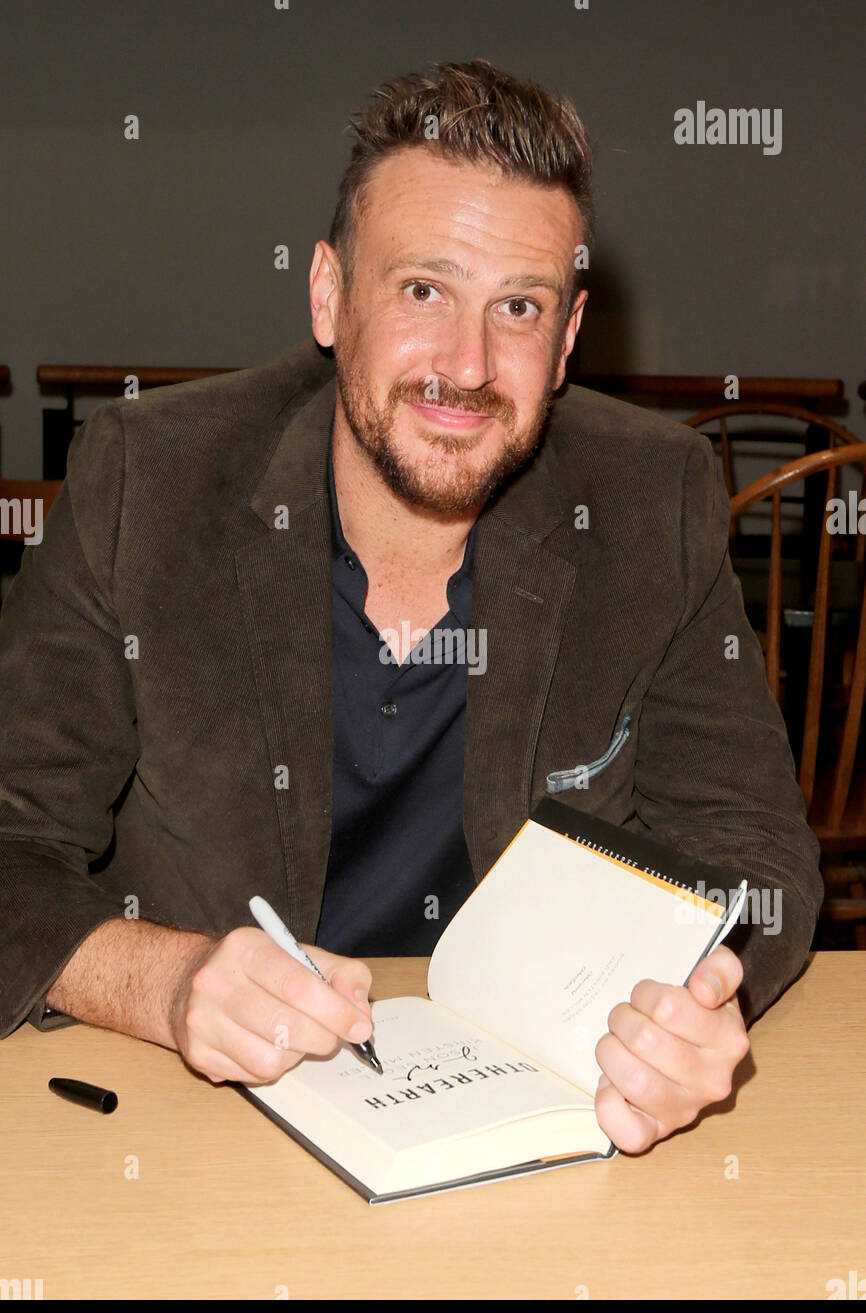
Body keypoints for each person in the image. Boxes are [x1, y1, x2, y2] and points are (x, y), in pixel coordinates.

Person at [0, 59, 823, 1154]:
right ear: (329, 296)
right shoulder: (145, 482)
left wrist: (694, 1001)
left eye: (516, 307)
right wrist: (165, 981)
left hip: (539, 1125)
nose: (466, 366)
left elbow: (753, 851)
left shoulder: (647, 498)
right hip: (200, 1125)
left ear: (568, 338)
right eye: (423, 289)